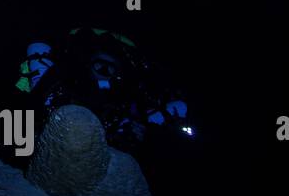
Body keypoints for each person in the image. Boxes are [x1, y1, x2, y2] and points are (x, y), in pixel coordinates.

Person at [14, 28, 194, 153]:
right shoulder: (66, 86)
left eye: (110, 68)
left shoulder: (124, 99)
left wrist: (137, 134)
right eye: (100, 65)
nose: (104, 72)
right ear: (88, 65)